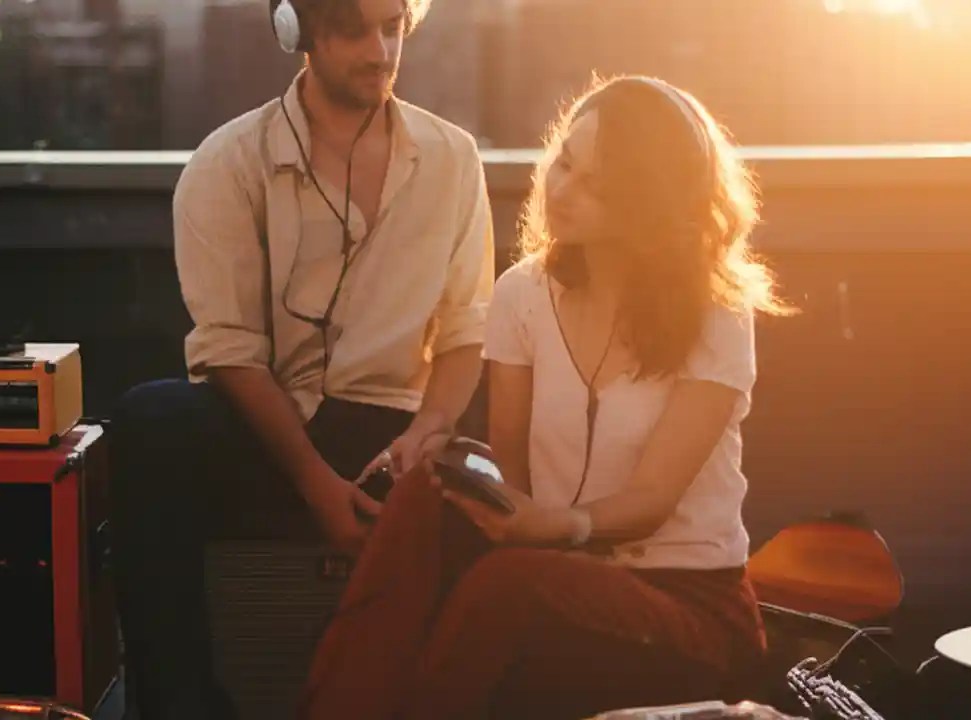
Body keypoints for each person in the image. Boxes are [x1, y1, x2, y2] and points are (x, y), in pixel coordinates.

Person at [299, 74, 796, 719]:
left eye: (594, 184)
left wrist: (554, 526)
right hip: (556, 568)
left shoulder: (715, 312)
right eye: (563, 161)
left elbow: (651, 503)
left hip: (685, 607)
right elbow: (516, 479)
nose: (561, 189)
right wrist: (458, 471)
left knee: (510, 586)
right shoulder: (523, 294)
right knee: (427, 490)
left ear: (647, 206)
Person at [106, 0, 494, 717]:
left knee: (491, 465)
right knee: (147, 420)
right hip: (267, 419)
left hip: (393, 426)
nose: (380, 51)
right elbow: (229, 351)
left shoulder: (452, 158)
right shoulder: (227, 161)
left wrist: (429, 432)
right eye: (354, 31)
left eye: (393, 26)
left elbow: (468, 327)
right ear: (299, 31)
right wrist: (315, 482)